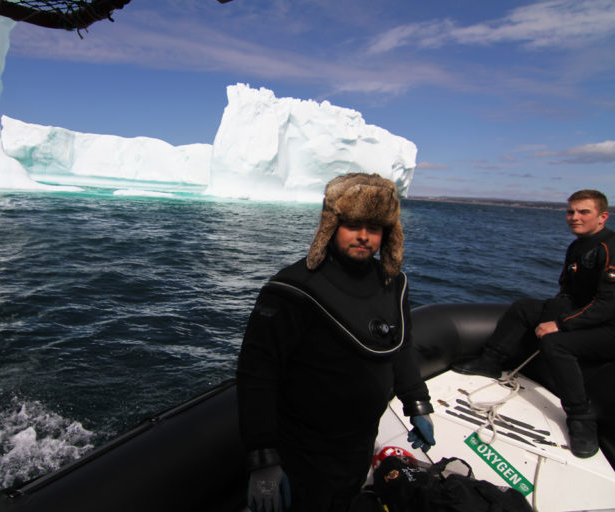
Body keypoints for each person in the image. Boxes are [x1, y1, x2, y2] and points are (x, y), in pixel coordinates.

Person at [236, 173, 435, 512]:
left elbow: (399, 346)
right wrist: (263, 459)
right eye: (353, 225)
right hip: (303, 449)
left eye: (374, 228)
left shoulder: (393, 284)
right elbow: (258, 374)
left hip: (359, 442)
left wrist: (417, 402)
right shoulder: (292, 288)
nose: (363, 236)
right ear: (331, 226)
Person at [453, 189, 615, 459]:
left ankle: (581, 418)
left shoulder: (610, 248)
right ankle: (490, 362)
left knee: (555, 343)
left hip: (608, 329)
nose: (574, 217)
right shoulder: (577, 247)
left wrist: (561, 324)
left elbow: (609, 305)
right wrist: (556, 312)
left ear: (602, 217)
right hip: (584, 317)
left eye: (583, 212)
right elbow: (569, 293)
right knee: (523, 308)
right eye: (571, 211)